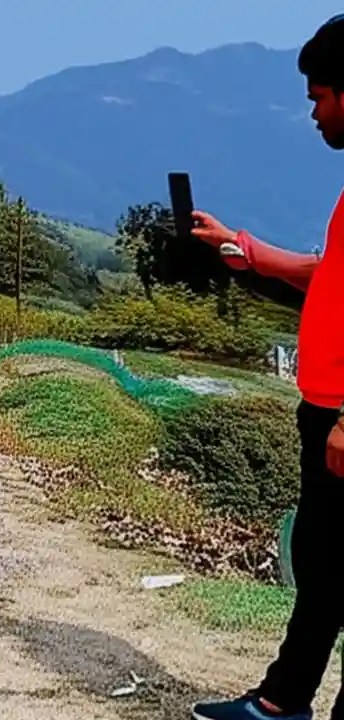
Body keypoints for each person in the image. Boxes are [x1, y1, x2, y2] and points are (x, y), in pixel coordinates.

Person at [189, 13, 344, 720]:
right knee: (323, 564)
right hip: (325, 410)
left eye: (318, 94)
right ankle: (283, 703)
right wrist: (241, 248)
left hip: (342, 416)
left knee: (337, 567)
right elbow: (325, 272)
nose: (312, 111)